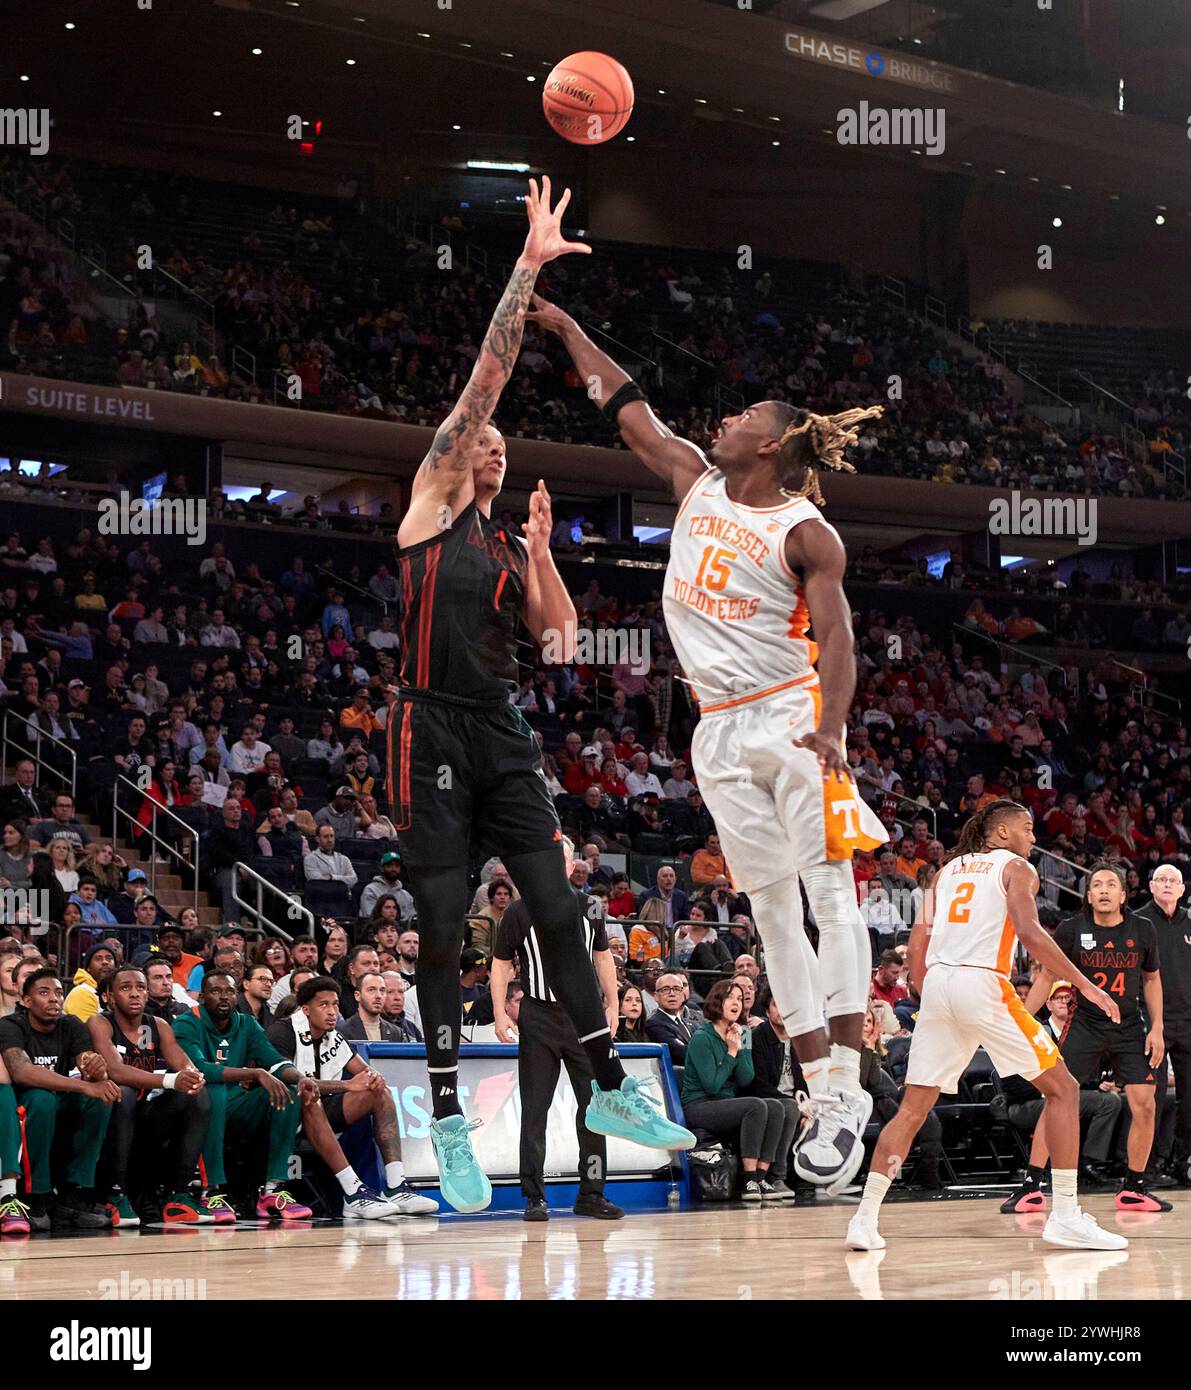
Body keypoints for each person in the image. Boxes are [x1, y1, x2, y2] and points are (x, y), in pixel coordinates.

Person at [530, 294, 888, 1190]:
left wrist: (833, 728)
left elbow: (841, 640)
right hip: (718, 728)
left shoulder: (806, 530)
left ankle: (846, 1089)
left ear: (770, 443)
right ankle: (815, 1086)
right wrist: (573, 331)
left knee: (829, 897)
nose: (721, 423)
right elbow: (627, 408)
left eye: (740, 418)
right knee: (769, 914)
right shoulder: (693, 479)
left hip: (791, 714)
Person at [385, 176, 693, 1212]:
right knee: (436, 923)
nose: (494, 444)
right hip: (426, 719)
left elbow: (560, 642)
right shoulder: (430, 503)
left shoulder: (511, 551)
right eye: (485, 438)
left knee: (561, 903)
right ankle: (444, 1112)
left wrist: (547, 551)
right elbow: (489, 372)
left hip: (502, 726)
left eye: (504, 446)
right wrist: (528, 268)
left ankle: (606, 1087)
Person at [845, 802, 1126, 1252]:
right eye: (1027, 828)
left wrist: (927, 989)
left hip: (938, 985)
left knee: (913, 1109)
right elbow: (1031, 934)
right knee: (1065, 1090)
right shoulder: (1017, 868)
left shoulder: (947, 870)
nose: (1033, 838)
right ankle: (1067, 1215)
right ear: (1000, 832)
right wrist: (1086, 986)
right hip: (983, 983)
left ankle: (864, 1220)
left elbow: (918, 942)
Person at [491, 833, 624, 1222]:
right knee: (534, 1110)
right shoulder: (518, 911)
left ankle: (592, 1194)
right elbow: (500, 964)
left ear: (571, 867)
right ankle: (534, 1197)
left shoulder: (591, 907)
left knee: (595, 1109)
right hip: (538, 1016)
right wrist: (500, 1012)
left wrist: (613, 1003)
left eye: (561, 859)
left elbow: (603, 957)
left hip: (583, 1019)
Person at [1027, 861, 1167, 1212]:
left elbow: (1151, 980)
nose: (1103, 890)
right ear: (1088, 895)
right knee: (1059, 1099)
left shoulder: (1143, 929)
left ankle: (1134, 1187)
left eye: (1110, 885)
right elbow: (1046, 978)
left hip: (1130, 1026)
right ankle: (1030, 1184)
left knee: (1145, 1104)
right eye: (1097, 885)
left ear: (1123, 894)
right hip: (1085, 1025)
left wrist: (1158, 1028)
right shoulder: (1072, 930)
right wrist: (1024, 1019)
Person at [267, 976, 437, 1216]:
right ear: (306, 1010)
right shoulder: (282, 1031)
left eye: (335, 1005)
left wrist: (374, 1078)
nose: (332, 1012)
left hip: (322, 1111)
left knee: (380, 1092)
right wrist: (349, 1085)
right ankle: (353, 1192)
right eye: (323, 1005)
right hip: (285, 1113)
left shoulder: (333, 1036)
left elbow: (364, 1072)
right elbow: (297, 1082)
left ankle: (396, 1185)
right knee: (308, 1096)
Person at [173, 970, 318, 1225]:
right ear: (203, 996)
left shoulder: (247, 1023)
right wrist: (255, 1072)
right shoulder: (187, 1023)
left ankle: (273, 1190)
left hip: (237, 1103)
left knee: (289, 1093)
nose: (223, 997)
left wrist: (300, 1078)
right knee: (212, 1090)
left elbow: (275, 1061)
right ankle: (211, 1192)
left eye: (229, 991)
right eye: (216, 992)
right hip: (193, 1103)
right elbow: (200, 1069)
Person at [88, 965, 211, 1226]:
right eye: (125, 988)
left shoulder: (159, 1025)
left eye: (140, 988)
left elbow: (184, 1064)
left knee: (197, 1095)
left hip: (147, 1115)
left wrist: (192, 1077)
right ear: (109, 996)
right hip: (109, 1116)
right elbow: (115, 1070)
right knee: (123, 1092)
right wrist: (169, 1080)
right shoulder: (100, 1023)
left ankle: (178, 1195)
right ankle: (114, 1193)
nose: (135, 994)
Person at [0, 967, 120, 1230]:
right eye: (44, 993)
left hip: (59, 1101)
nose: (54, 998)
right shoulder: (10, 1026)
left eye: (57, 992)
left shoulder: (71, 1024)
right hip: (23, 1107)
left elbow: (85, 1061)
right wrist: (83, 1088)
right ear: (26, 1001)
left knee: (100, 1099)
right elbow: (22, 1072)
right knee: (43, 1100)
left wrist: (94, 1066)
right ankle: (35, 1197)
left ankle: (73, 1196)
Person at [999, 981, 1124, 1213]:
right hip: (1024, 1102)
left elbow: (1085, 1077)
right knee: (1072, 1100)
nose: (1064, 1002)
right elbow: (1013, 1082)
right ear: (1048, 1003)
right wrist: (1050, 1087)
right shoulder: (1035, 1029)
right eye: (1058, 998)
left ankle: (1103, 1170)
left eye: (1068, 997)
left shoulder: (1080, 1037)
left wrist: (1102, 1083)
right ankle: (1041, 1180)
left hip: (1063, 1096)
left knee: (1115, 1100)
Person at [680, 979, 797, 1201]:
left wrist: (741, 1049)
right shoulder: (702, 1038)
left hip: (726, 1102)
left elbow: (745, 1080)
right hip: (699, 1105)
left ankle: (762, 1176)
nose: (737, 1002)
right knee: (756, 1105)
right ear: (717, 1001)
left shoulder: (743, 1033)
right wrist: (732, 1052)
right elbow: (712, 1085)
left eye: (740, 999)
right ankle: (749, 1178)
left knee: (775, 1106)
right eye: (730, 997)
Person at [1136, 863, 1191, 1185]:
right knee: (1151, 1098)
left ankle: (1179, 1163)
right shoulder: (1140, 921)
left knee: (1189, 1099)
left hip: (1187, 1021)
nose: (1168, 884)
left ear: (1183, 889)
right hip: (1151, 1020)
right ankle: (1147, 1168)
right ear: (1151, 886)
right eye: (1162, 879)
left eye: (1174, 881)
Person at [342, 970, 406, 1043]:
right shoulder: (342, 1031)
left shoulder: (396, 1033)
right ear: (357, 995)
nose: (378, 996)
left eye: (382, 990)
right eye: (371, 990)